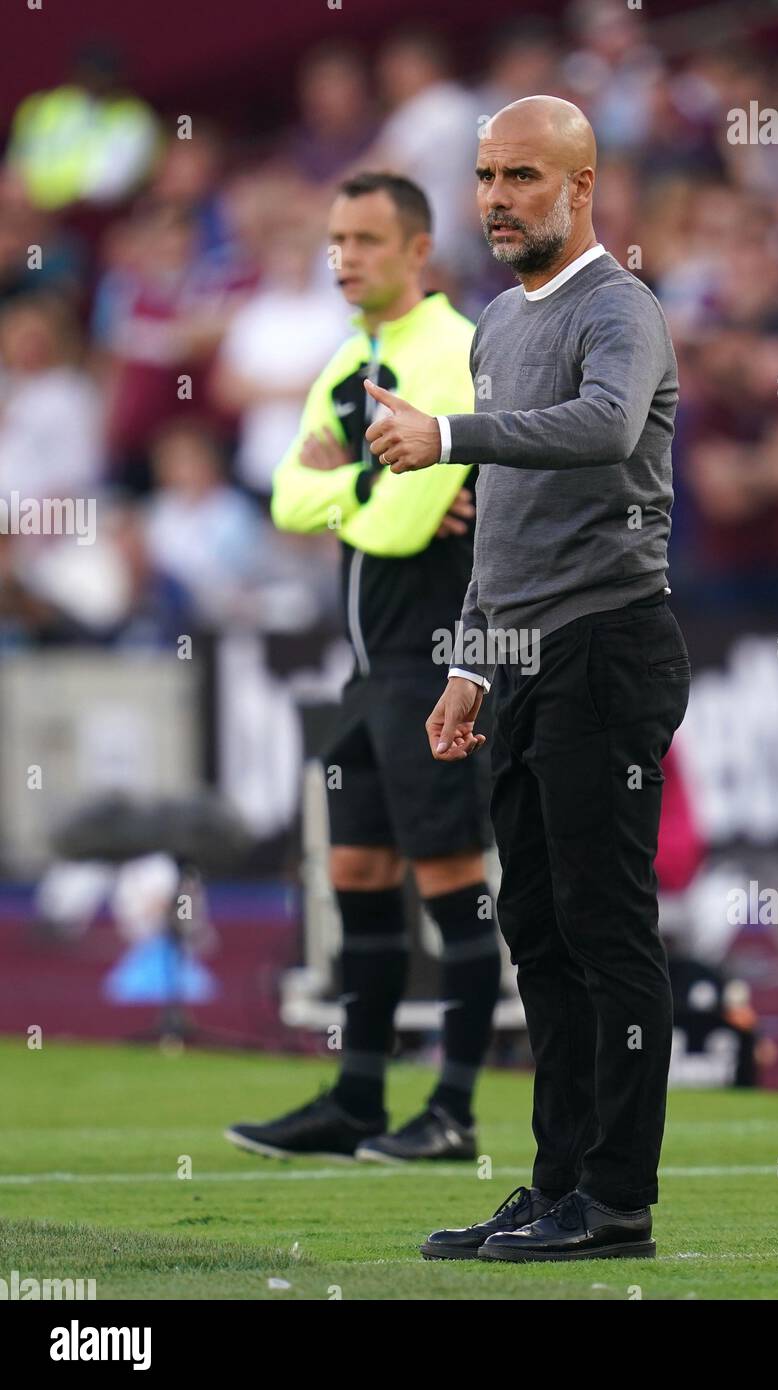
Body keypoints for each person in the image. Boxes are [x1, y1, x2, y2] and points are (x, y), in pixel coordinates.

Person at [362, 97, 690, 1259]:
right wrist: (468, 659)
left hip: (606, 646)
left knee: (604, 925)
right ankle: (559, 1186)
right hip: (522, 658)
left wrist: (448, 435)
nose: (495, 198)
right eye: (486, 176)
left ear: (581, 185)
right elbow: (504, 521)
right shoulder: (500, 322)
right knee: (540, 933)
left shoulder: (618, 306)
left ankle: (616, 1197)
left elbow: (602, 428)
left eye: (521, 176)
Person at [224, 173, 500, 1164]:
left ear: (418, 249)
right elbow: (282, 501)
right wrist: (364, 483)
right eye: (336, 239)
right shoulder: (349, 360)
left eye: (367, 240)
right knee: (354, 870)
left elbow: (403, 524)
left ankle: (454, 1110)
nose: (345, 257)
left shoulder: (450, 350)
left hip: (434, 657)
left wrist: (338, 487)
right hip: (367, 668)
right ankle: (357, 1098)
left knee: (450, 877)